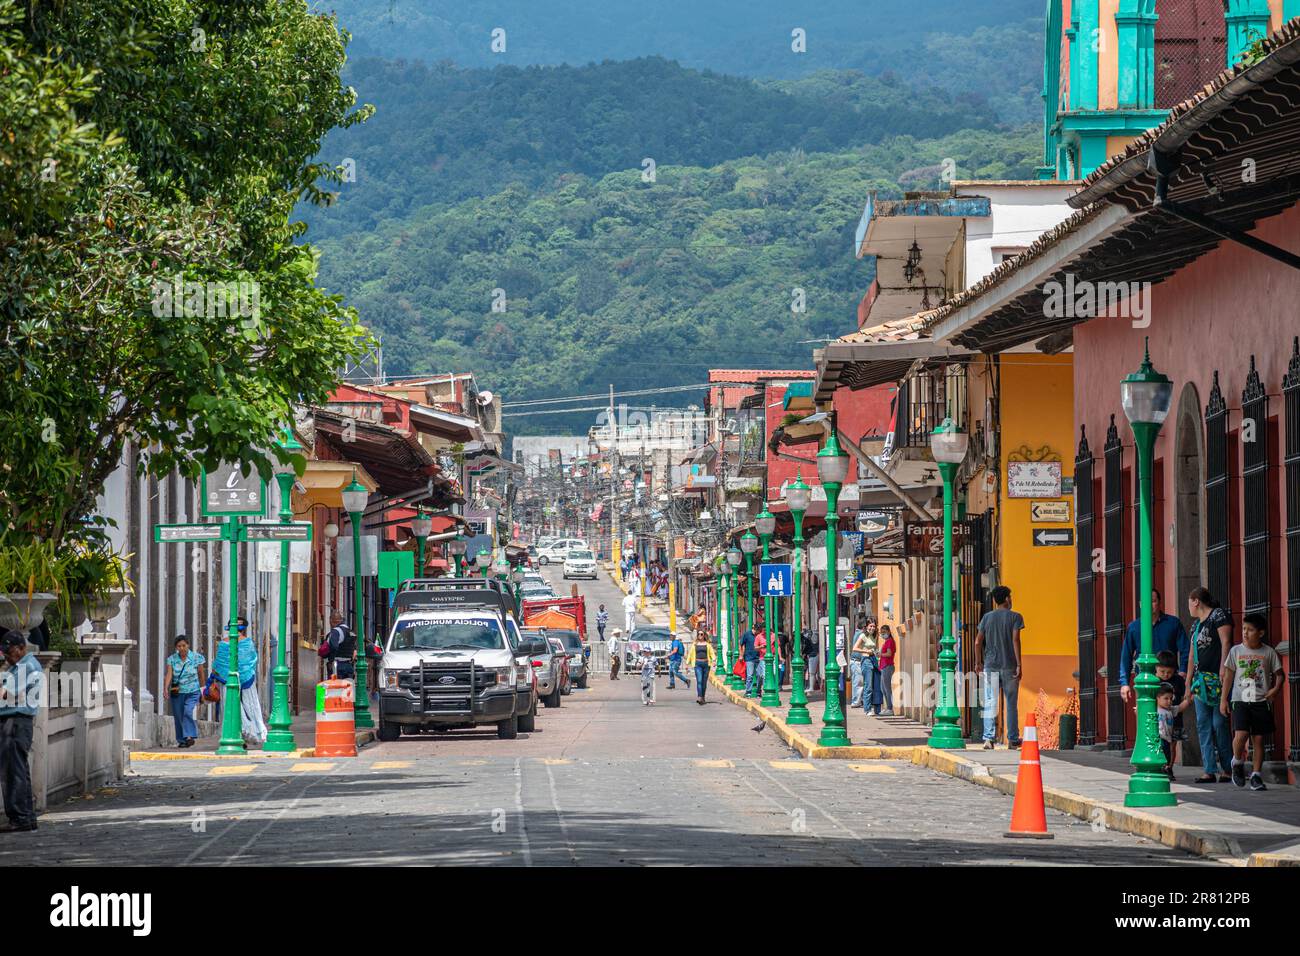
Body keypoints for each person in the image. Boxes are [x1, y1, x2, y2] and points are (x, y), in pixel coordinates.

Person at [1220, 612, 1283, 791]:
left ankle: (1256, 775)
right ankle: (1237, 761)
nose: (1245, 633)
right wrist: (1223, 700)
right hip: (1240, 699)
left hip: (1260, 700)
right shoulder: (1236, 651)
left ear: (1261, 633)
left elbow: (1280, 675)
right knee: (1241, 735)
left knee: (1259, 739)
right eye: (1244, 629)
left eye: (1250, 630)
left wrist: (1275, 690)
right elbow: (1228, 676)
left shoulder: (1268, 652)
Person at [1186, 586, 1234, 782]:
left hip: (1217, 678)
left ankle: (1227, 768)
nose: (1189, 607)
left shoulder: (1219, 616)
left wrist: (1223, 666)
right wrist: (1188, 680)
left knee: (1219, 723)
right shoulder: (1196, 626)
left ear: (1196, 601)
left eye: (1189, 602)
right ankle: (1209, 769)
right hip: (1200, 681)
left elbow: (1226, 642)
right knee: (1202, 724)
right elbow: (1191, 655)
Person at [0, 630, 41, 832]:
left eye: (11, 651)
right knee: (18, 770)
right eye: (5, 651)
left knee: (13, 771)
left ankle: (20, 817)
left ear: (22, 648)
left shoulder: (26, 667)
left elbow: (6, 694)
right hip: (15, 722)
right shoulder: (17, 667)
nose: (7, 655)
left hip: (15, 722)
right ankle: (26, 816)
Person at [1119, 589, 1189, 703]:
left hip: (1170, 678)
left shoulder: (1173, 623)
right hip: (1144, 680)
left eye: (1153, 601)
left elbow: (1185, 649)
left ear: (1159, 602)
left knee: (1172, 717)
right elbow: (1126, 656)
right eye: (1145, 602)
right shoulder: (1134, 627)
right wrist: (1124, 683)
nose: (1149, 605)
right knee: (1145, 716)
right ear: (1140, 604)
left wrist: (1183, 670)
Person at [976, 585, 1023, 750]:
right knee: (1011, 703)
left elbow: (977, 642)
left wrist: (978, 662)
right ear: (1008, 599)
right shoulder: (1015, 617)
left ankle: (988, 739)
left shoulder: (987, 618)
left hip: (990, 665)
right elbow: (1015, 640)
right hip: (1009, 665)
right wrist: (1019, 664)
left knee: (990, 702)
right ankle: (1012, 739)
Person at [212, 617, 266, 746]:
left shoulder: (224, 643)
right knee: (249, 707)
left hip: (229, 681)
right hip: (247, 681)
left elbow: (219, 664)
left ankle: (238, 733)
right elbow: (252, 661)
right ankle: (249, 733)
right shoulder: (248, 643)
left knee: (230, 707)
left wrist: (214, 677)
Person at [164, 634, 207, 748]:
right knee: (178, 715)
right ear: (176, 648)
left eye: (184, 645)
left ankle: (189, 736)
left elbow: (201, 674)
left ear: (188, 645)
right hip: (177, 690)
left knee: (188, 712)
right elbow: (169, 674)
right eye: (179, 646)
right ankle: (182, 740)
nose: (182, 648)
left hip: (193, 690)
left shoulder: (196, 658)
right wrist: (165, 688)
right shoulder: (172, 659)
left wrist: (203, 691)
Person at [1154, 650, 1188, 777]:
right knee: (1159, 744)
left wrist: (1187, 700)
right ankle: (1160, 766)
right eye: (1162, 672)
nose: (1166, 675)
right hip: (1157, 719)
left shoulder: (1178, 680)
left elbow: (1184, 697)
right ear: (1156, 669)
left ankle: (1169, 767)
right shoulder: (1153, 681)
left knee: (1172, 745)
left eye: (1169, 672)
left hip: (1174, 718)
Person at [683, 630, 716, 705]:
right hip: (697, 664)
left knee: (704, 682)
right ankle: (700, 697)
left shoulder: (708, 645)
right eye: (699, 634)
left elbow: (712, 653)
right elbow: (690, 654)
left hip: (706, 664)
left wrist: (714, 660)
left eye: (701, 634)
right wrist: (687, 664)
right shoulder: (695, 644)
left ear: (704, 635)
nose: (700, 635)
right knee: (699, 681)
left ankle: (703, 697)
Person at [323, 611, 356, 680]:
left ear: (332, 621)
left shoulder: (336, 631)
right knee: (347, 688)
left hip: (337, 666)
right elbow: (354, 651)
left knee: (335, 688)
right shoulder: (351, 632)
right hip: (349, 666)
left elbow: (334, 646)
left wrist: (331, 661)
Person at [849, 622, 875, 709]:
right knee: (859, 682)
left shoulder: (857, 633)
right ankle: (856, 702)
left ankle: (858, 701)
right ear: (865, 627)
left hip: (856, 661)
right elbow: (856, 648)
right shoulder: (861, 634)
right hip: (857, 661)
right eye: (869, 626)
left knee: (858, 682)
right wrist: (867, 652)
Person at [1156, 682, 1177, 780]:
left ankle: (1166, 769)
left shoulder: (1170, 710)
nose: (1169, 701)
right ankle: (1162, 771)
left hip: (1167, 739)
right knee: (1161, 755)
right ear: (1158, 698)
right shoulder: (1155, 709)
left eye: (1171, 699)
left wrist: (1189, 698)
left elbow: (1181, 707)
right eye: (1166, 699)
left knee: (1167, 755)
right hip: (1158, 737)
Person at [877, 624, 897, 716]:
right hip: (884, 667)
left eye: (884, 632)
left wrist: (880, 654)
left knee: (887, 688)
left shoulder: (889, 642)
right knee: (883, 688)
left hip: (887, 666)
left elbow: (889, 654)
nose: (883, 634)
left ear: (889, 632)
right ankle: (887, 707)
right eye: (881, 633)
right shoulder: (886, 642)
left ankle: (890, 708)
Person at [740, 624, 760, 698]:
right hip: (749, 657)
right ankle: (748, 691)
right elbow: (741, 644)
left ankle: (758, 691)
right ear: (753, 629)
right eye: (756, 630)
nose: (756, 632)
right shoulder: (747, 634)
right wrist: (741, 655)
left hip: (758, 657)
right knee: (750, 675)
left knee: (759, 675)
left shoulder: (759, 635)